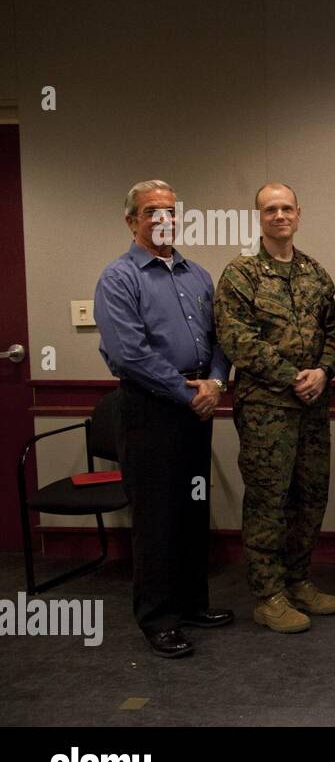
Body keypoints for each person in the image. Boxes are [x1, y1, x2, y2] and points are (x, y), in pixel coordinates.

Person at [94, 179, 233, 658]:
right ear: (132, 220)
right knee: (156, 518)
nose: (163, 219)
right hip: (150, 409)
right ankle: (159, 619)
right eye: (152, 211)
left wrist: (216, 383)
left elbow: (220, 339)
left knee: (193, 509)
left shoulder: (198, 276)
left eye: (171, 211)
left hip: (198, 404)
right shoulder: (119, 278)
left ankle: (193, 604)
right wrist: (184, 393)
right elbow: (128, 353)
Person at [215, 182, 335, 634]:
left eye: (287, 208)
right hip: (266, 409)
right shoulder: (241, 274)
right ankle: (268, 594)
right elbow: (237, 340)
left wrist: (323, 372)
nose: (280, 215)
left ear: (298, 214)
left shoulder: (315, 273)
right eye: (270, 209)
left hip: (313, 406)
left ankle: (297, 580)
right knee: (269, 498)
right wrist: (293, 376)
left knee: (310, 495)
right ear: (259, 217)